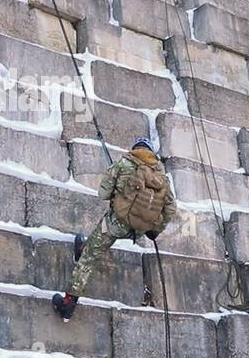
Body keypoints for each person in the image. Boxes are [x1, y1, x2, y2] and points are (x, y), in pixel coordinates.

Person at [53, 137, 178, 321]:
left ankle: (68, 303)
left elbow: (103, 193)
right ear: (152, 153)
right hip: (138, 230)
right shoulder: (161, 176)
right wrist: (154, 230)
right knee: (98, 241)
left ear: (135, 148)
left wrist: (119, 191)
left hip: (115, 224)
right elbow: (171, 209)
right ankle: (85, 246)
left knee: (88, 259)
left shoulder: (124, 163)